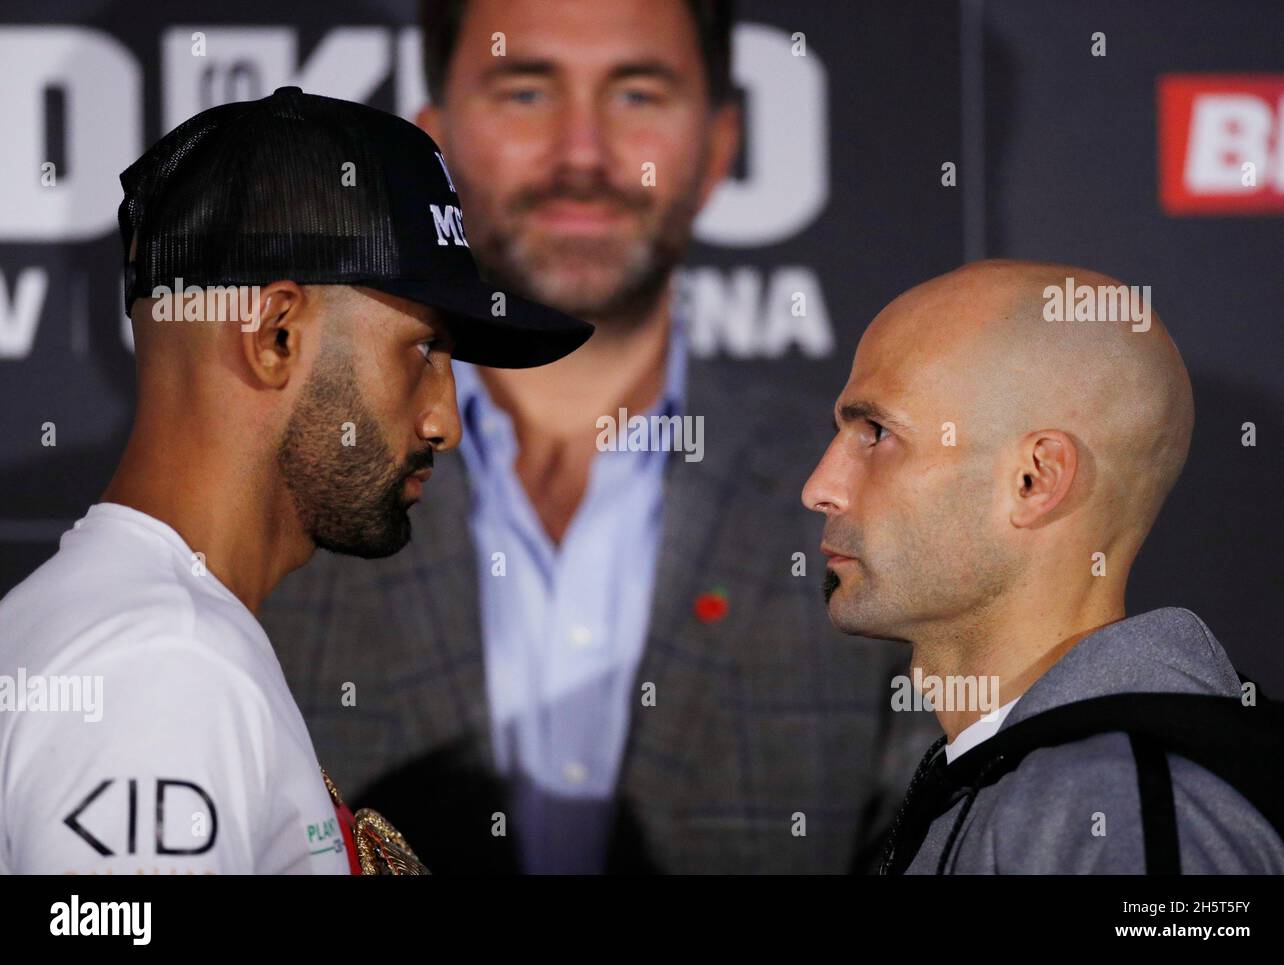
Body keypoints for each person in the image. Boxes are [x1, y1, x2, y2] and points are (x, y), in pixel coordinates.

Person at [261, 0, 937, 873]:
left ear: (720, 146)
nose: (581, 154)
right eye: (527, 91)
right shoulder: (281, 490)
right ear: (434, 143)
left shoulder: (872, 494)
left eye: (637, 95)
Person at [0, 86, 590, 874]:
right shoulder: (163, 664)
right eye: (422, 350)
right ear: (275, 334)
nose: (446, 419)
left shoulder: (111, 625)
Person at [803, 259, 1284, 873]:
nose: (820, 488)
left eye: (876, 432)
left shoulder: (1117, 806)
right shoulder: (1015, 775)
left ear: (1035, 480)